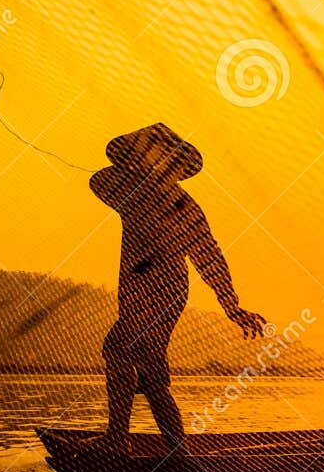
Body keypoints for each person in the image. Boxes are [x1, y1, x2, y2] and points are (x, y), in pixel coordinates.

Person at [90, 124, 266, 450]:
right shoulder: (133, 194)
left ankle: (129, 441)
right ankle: (164, 446)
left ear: (178, 168)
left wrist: (232, 307)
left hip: (164, 288)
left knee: (125, 351)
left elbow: (209, 257)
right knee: (141, 362)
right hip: (135, 287)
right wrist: (135, 167)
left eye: (165, 161)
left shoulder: (184, 208)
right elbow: (98, 181)